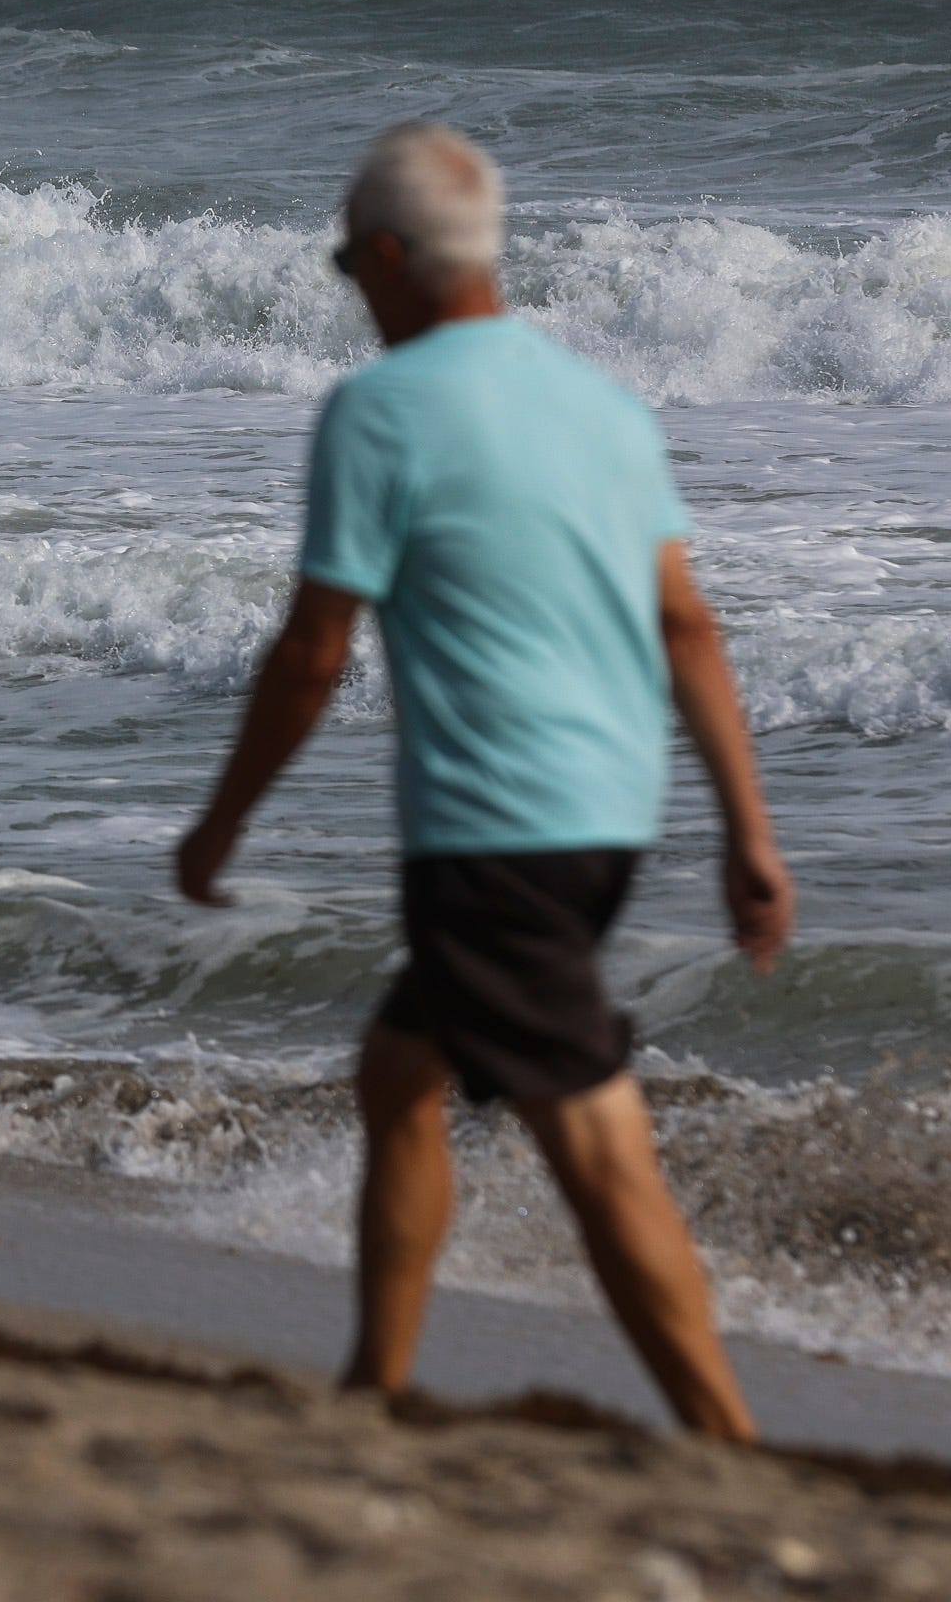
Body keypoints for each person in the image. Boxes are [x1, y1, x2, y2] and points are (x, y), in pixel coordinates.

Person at [174, 122, 795, 1443]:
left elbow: (312, 652)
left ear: (393, 258)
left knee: (597, 1148)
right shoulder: (605, 410)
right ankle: (374, 1389)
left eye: (349, 259)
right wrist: (748, 832)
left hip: (493, 827)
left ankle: (729, 1441)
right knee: (403, 1071)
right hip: (607, 816)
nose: (348, 284)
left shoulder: (381, 412)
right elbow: (687, 624)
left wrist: (220, 823)